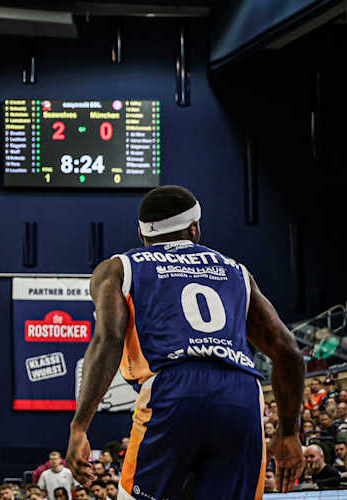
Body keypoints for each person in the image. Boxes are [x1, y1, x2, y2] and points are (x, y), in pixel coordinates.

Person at [65, 185, 305, 499]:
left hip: (174, 387)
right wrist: (288, 432)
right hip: (241, 392)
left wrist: (80, 426)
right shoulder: (236, 272)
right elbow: (288, 352)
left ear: (142, 234)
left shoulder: (119, 267)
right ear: (194, 228)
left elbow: (108, 339)